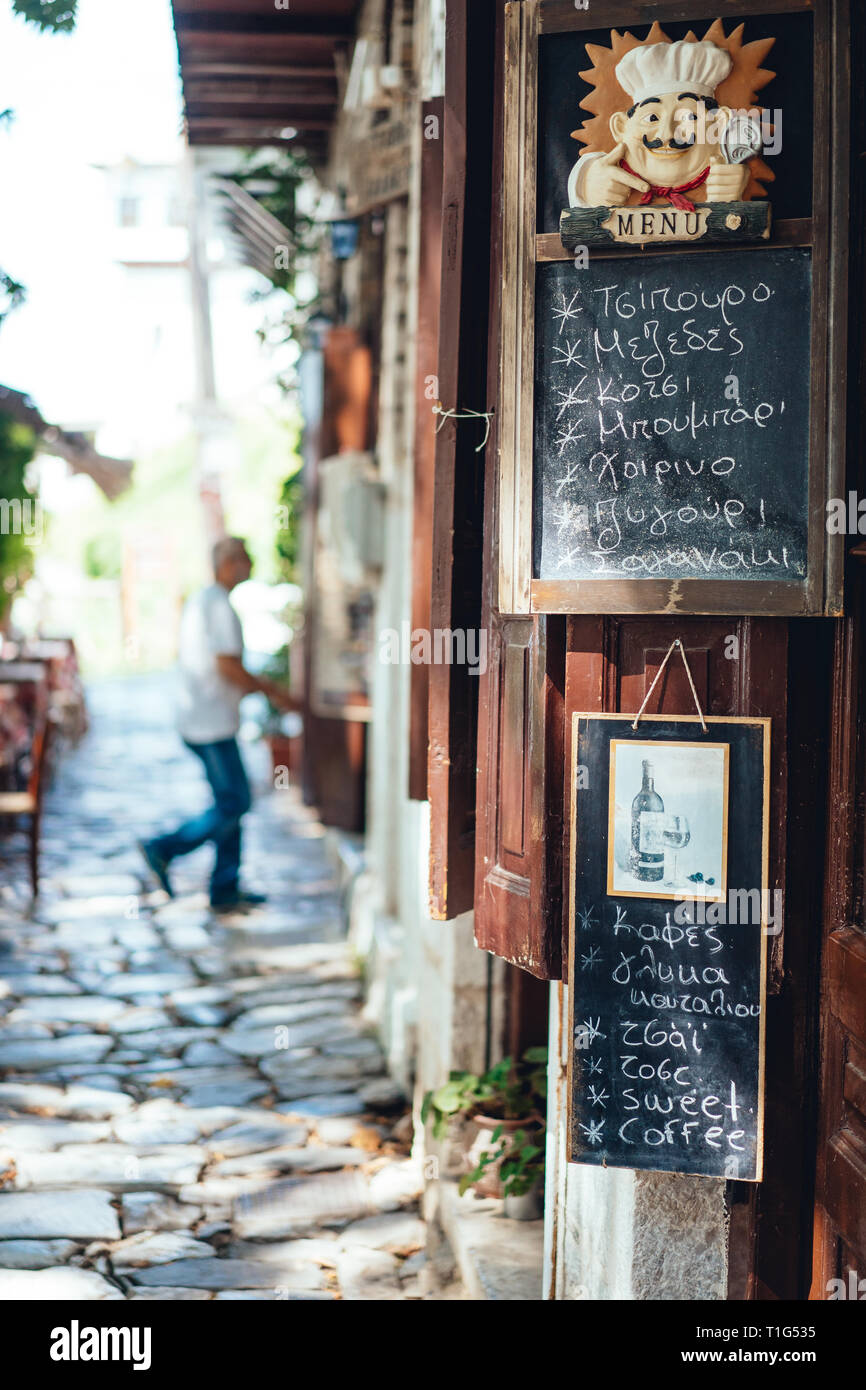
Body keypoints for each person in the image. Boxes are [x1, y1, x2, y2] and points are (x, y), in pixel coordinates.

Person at [140, 536, 297, 912]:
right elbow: (227, 665)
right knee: (235, 802)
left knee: (231, 802)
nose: (251, 564)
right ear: (226, 563)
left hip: (208, 721)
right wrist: (270, 690)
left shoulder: (208, 601)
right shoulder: (217, 606)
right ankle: (164, 847)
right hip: (208, 725)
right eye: (245, 557)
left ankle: (225, 887)